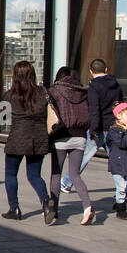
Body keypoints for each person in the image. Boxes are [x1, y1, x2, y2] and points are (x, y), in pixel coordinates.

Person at [1, 60, 49, 220]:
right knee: (34, 175)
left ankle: (14, 208)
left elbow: (1, 120)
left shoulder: (10, 95)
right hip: (39, 138)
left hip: (17, 138)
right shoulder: (43, 93)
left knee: (10, 174)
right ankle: (46, 203)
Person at [65, 58, 123, 191]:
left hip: (99, 128)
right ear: (106, 69)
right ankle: (126, 188)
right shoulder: (116, 84)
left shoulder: (93, 86)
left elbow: (94, 110)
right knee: (117, 159)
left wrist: (93, 129)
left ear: (91, 71)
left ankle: (67, 182)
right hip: (114, 126)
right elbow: (120, 106)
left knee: (84, 156)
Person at [46, 67, 94, 224]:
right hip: (80, 136)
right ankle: (87, 207)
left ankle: (53, 209)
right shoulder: (83, 92)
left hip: (61, 136)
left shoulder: (54, 91)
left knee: (56, 173)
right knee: (75, 175)